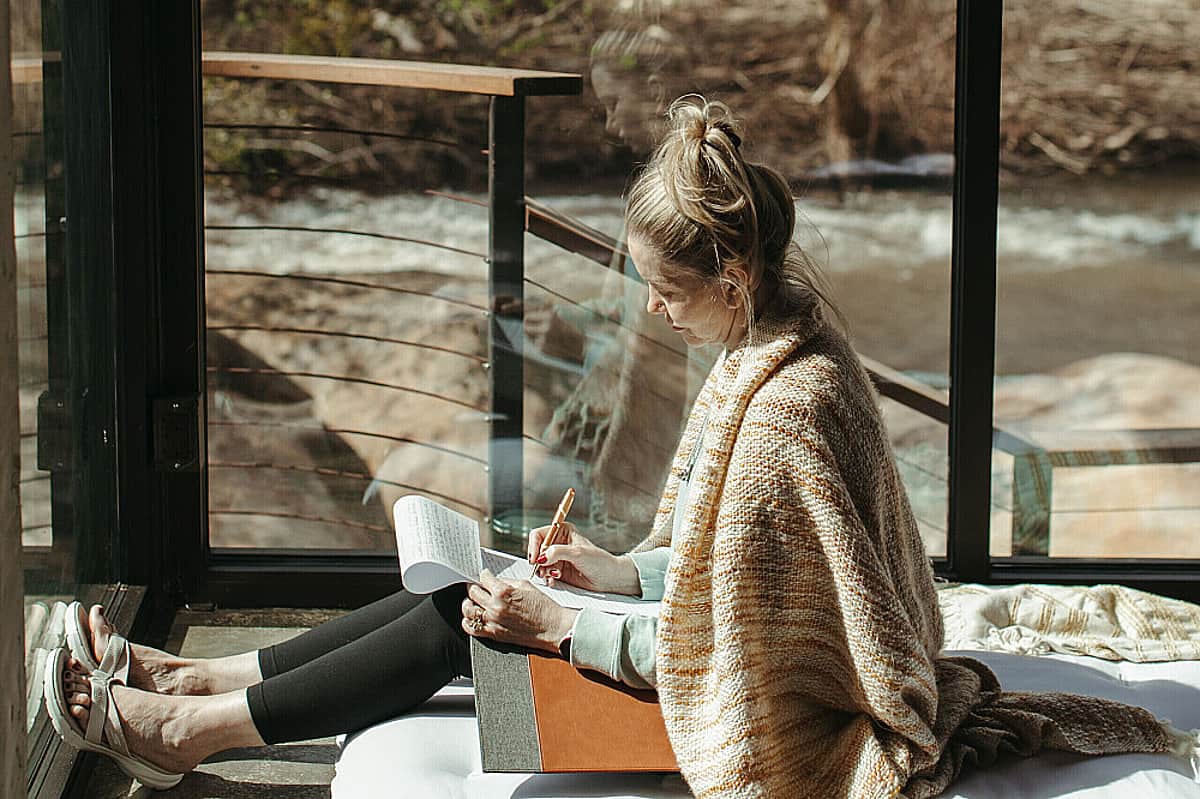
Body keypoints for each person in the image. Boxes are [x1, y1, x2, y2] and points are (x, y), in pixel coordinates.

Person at [45, 97, 1197, 796]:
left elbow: (739, 657)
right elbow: (726, 570)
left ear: (729, 278)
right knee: (470, 587)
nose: (651, 311)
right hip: (735, 656)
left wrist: (563, 625)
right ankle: (202, 679)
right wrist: (619, 572)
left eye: (662, 288)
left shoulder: (785, 415)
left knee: (469, 616)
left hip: (787, 722)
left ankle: (193, 730)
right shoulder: (783, 333)